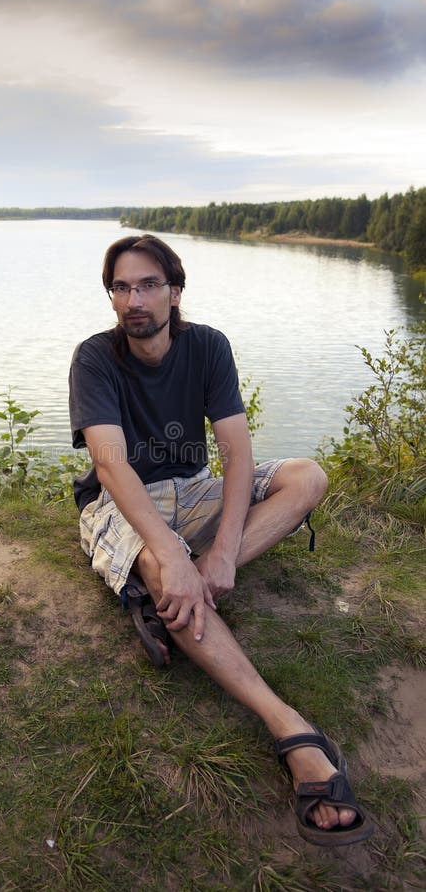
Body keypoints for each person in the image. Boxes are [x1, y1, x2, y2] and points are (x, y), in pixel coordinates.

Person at [68, 233, 373, 846]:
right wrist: (172, 557)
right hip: (125, 502)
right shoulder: (95, 358)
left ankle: (169, 605)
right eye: (122, 287)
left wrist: (221, 551)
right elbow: (112, 466)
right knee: (162, 565)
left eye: (149, 284)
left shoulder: (207, 346)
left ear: (174, 292)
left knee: (306, 476)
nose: (135, 299)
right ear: (112, 296)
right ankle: (291, 729)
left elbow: (237, 452)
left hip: (196, 488)